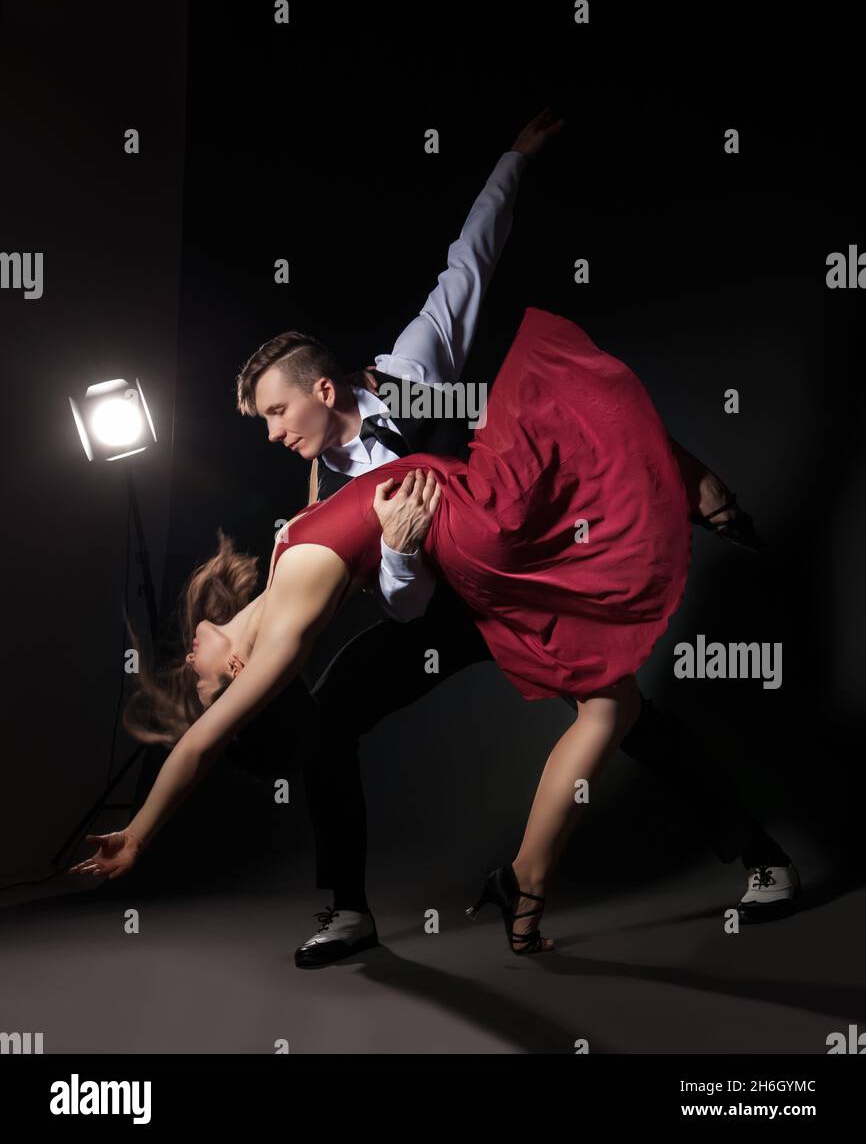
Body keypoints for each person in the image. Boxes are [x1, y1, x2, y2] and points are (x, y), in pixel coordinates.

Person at [69, 305, 799, 953]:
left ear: (324, 391)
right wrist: (139, 832)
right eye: (199, 672)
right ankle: (352, 912)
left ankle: (753, 855)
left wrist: (515, 161)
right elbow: (213, 733)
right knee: (335, 718)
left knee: (625, 713)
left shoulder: (391, 397)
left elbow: (465, 273)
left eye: (276, 412)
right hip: (448, 589)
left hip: (504, 566)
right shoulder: (293, 590)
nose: (190, 651)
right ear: (237, 674)